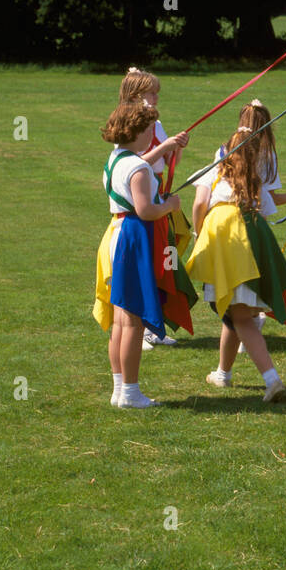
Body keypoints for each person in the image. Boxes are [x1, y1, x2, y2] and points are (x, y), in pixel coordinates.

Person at [187, 102, 286, 403]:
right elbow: (268, 203)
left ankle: (272, 379)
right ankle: (222, 373)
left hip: (226, 234)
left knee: (240, 314)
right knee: (236, 309)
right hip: (254, 232)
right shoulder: (260, 168)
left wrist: (198, 233)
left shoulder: (219, 161)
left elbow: (200, 204)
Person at [94, 101, 193, 409]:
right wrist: (170, 205)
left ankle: (120, 389)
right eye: (150, 129)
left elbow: (139, 174)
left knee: (121, 318)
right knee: (133, 321)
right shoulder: (137, 168)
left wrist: (165, 149)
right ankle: (131, 392)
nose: (153, 135)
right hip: (135, 238)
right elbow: (146, 210)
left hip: (118, 234)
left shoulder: (117, 158)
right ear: (137, 131)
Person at [118, 67, 190, 348]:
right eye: (152, 92)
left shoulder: (156, 124)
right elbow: (134, 164)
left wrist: (176, 147)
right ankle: (140, 326)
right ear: (136, 95)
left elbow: (167, 161)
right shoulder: (126, 123)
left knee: (163, 259)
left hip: (157, 191)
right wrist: (165, 147)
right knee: (145, 262)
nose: (156, 97)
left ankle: (152, 324)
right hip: (141, 195)